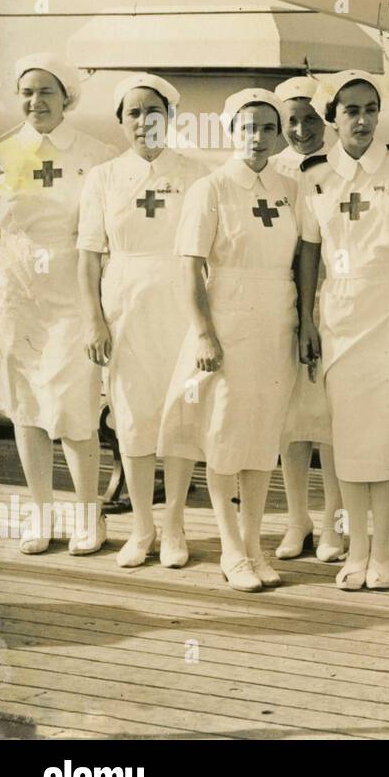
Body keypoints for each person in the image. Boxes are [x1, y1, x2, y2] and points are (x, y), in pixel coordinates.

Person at [156, 89, 299, 591]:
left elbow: (299, 262)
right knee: (223, 433)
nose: (256, 137)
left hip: (277, 323)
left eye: (266, 128)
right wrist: (203, 333)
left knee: (261, 437)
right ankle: (231, 549)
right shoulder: (211, 188)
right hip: (228, 323)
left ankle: (255, 545)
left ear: (278, 133)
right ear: (230, 131)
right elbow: (190, 268)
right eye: (246, 127)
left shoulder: (289, 188)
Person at [77, 74, 206, 568]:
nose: (143, 121)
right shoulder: (104, 178)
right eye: (133, 112)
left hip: (181, 304)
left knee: (178, 417)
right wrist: (94, 321)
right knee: (131, 418)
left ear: (169, 118)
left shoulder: (196, 174)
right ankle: (142, 529)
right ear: (121, 121)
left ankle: (173, 525)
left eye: (153, 111)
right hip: (124, 305)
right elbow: (89, 257)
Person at [297, 70, 389, 591]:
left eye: (371, 108)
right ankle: (357, 547)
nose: (363, 119)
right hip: (340, 313)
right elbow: (309, 252)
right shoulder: (314, 175)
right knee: (346, 437)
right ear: (334, 119)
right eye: (351, 110)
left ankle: (384, 548)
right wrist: (305, 320)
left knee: (385, 434)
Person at [0, 54, 112, 555]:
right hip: (16, 291)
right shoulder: (2, 153)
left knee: (72, 406)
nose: (35, 101)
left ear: (66, 96)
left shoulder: (96, 154)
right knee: (25, 407)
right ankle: (40, 515)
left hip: (72, 290)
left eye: (46, 91)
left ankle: (90, 516)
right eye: (27, 92)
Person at [271, 76, 343, 563]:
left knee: (333, 419)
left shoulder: (338, 169)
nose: (301, 129)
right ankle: (298, 518)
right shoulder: (270, 170)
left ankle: (335, 522)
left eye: (310, 119)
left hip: (329, 301)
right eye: (291, 120)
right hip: (279, 305)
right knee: (289, 419)